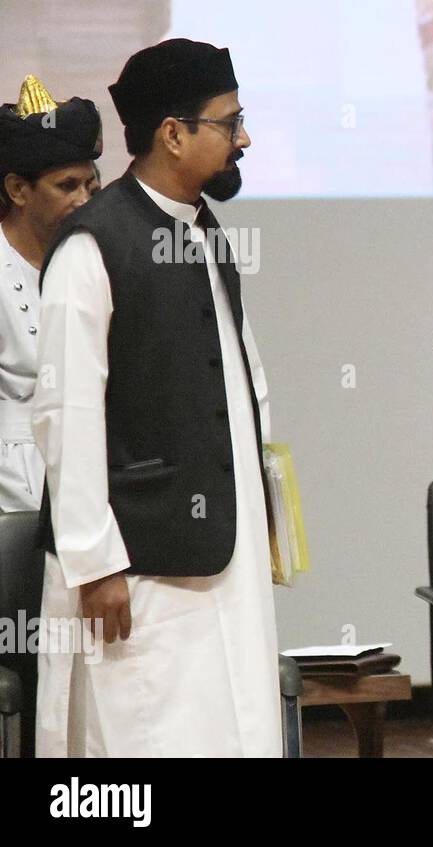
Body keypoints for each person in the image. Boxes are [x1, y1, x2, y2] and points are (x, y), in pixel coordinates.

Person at [33, 38, 279, 756]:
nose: (244, 138)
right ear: (174, 134)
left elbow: (239, 380)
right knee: (148, 737)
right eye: (229, 123)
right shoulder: (93, 244)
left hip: (220, 555)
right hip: (136, 567)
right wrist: (94, 559)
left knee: (236, 725)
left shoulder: (204, 231)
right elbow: (66, 409)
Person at [0, 75, 101, 512]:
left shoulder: (98, 263)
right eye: (67, 186)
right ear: (18, 190)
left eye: (92, 187)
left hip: (88, 491)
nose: (84, 201)